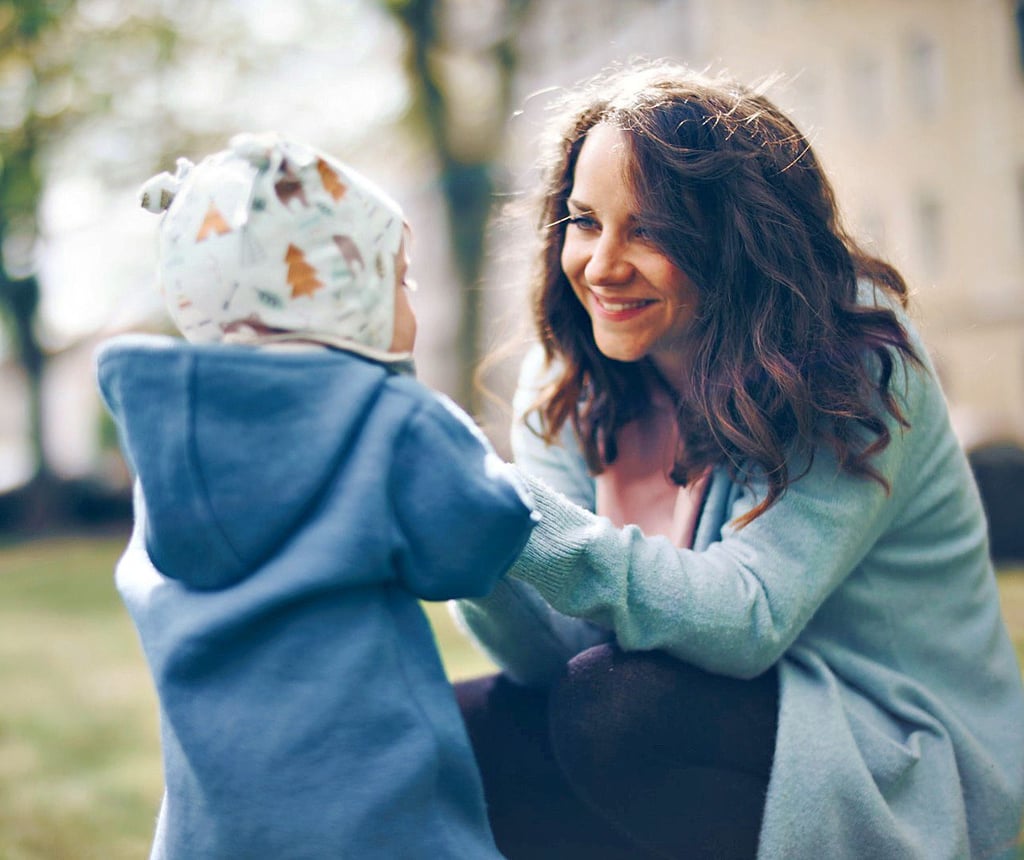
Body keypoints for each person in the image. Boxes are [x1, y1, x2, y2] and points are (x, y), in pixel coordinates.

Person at [452, 62, 1024, 859]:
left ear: (738, 236)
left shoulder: (850, 358)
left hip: (890, 747)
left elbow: (748, 618)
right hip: (696, 716)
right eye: (585, 222)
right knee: (456, 740)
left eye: (649, 229)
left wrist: (516, 513)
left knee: (613, 710)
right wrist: (474, 540)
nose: (604, 265)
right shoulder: (567, 378)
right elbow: (552, 654)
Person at [96, 133, 536, 859]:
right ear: (344, 294)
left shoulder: (175, 447)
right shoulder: (387, 419)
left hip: (214, 827)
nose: (412, 302)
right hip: (377, 811)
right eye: (399, 280)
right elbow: (480, 539)